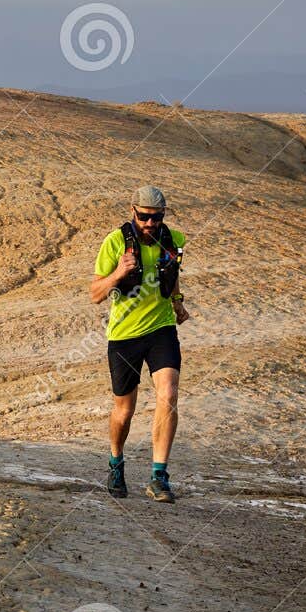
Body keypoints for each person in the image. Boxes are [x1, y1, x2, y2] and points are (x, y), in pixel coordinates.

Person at [89, 185, 187, 502]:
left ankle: (159, 476)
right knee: (124, 410)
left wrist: (177, 303)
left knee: (168, 394)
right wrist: (118, 272)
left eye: (156, 218)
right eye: (144, 217)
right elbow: (95, 294)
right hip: (124, 335)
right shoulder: (115, 242)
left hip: (161, 329)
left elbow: (171, 275)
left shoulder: (174, 240)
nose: (149, 224)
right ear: (133, 211)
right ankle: (116, 463)